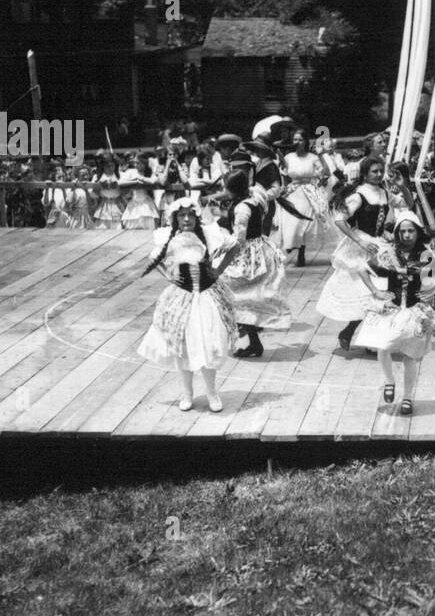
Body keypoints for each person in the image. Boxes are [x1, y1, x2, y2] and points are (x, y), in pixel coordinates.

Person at [137, 197, 240, 413]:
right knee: (182, 346)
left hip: (207, 296)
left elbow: (234, 246)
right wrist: (169, 276)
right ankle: (187, 393)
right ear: (175, 218)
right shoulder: (169, 238)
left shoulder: (209, 234)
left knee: (209, 342)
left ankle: (212, 393)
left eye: (190, 215)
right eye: (182, 215)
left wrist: (218, 270)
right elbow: (154, 257)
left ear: (196, 217)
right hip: (182, 297)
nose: (186, 219)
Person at [354, 211, 435, 416]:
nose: (407, 235)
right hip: (392, 308)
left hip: (414, 309)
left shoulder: (426, 255)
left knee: (411, 354)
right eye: (402, 231)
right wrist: (375, 291)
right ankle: (389, 381)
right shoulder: (389, 254)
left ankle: (408, 397)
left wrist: (431, 292)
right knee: (383, 346)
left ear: (417, 232)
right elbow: (362, 269)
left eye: (411, 231)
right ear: (397, 233)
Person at [317, 155, 393, 353]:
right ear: (365, 174)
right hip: (360, 246)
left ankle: (361, 336)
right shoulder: (359, 194)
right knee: (365, 293)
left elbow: (405, 203)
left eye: (380, 171)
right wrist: (358, 239)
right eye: (374, 171)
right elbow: (340, 219)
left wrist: (385, 233)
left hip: (377, 243)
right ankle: (350, 332)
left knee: (379, 292)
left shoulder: (383, 192)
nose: (378, 175)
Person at [221, 170, 291, 358]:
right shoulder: (254, 197)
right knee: (245, 297)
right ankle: (252, 340)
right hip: (260, 247)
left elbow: (239, 240)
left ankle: (247, 337)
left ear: (232, 189)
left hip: (249, 255)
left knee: (238, 295)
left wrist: (221, 262)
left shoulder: (241, 208)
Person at [278, 130, 328, 266]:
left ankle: (301, 252)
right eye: (295, 139)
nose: (297, 142)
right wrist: (284, 186)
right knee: (292, 221)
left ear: (305, 141)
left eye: (300, 139)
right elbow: (284, 173)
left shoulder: (312, 157)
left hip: (307, 191)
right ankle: (292, 246)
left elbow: (324, 172)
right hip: (292, 191)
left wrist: (321, 156)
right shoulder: (288, 157)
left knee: (303, 222)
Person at [120, 154, 161, 229]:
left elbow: (153, 181)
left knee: (148, 222)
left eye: (138, 163)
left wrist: (141, 178)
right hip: (134, 202)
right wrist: (134, 181)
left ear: (144, 164)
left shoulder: (148, 173)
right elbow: (120, 182)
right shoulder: (131, 172)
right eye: (135, 163)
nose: (135, 165)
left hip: (146, 202)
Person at [92, 157, 124, 229]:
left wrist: (117, 185)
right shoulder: (97, 177)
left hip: (117, 205)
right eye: (107, 166)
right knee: (101, 228)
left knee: (117, 228)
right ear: (103, 166)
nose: (110, 168)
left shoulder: (120, 176)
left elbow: (125, 192)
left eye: (112, 165)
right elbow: (94, 195)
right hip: (103, 205)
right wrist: (100, 186)